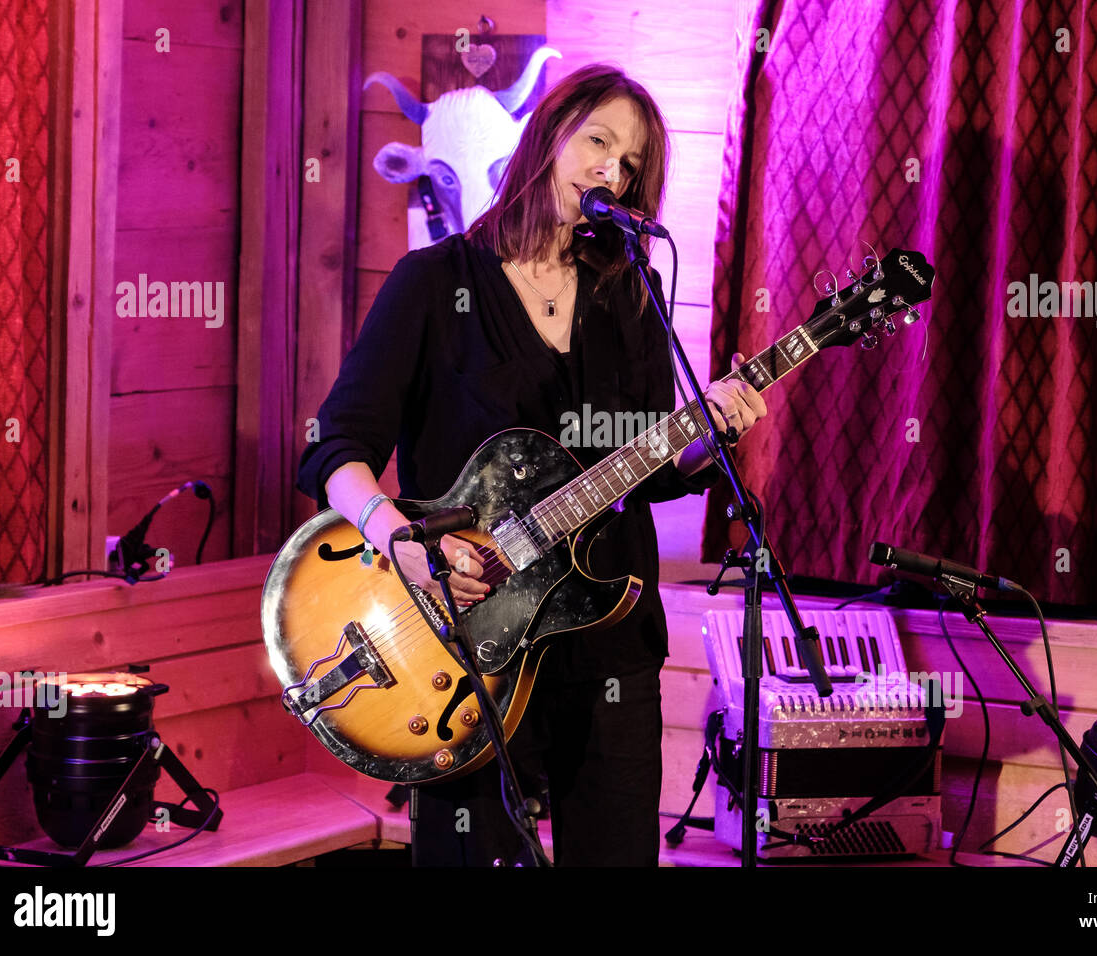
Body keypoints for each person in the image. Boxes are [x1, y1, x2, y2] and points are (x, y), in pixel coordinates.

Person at [297, 63, 767, 866]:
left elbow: (646, 466)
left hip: (605, 640)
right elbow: (336, 447)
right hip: (462, 645)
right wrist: (399, 536)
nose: (609, 171)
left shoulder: (631, 293)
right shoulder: (433, 283)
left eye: (629, 164)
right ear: (549, 135)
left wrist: (705, 435)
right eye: (598, 142)